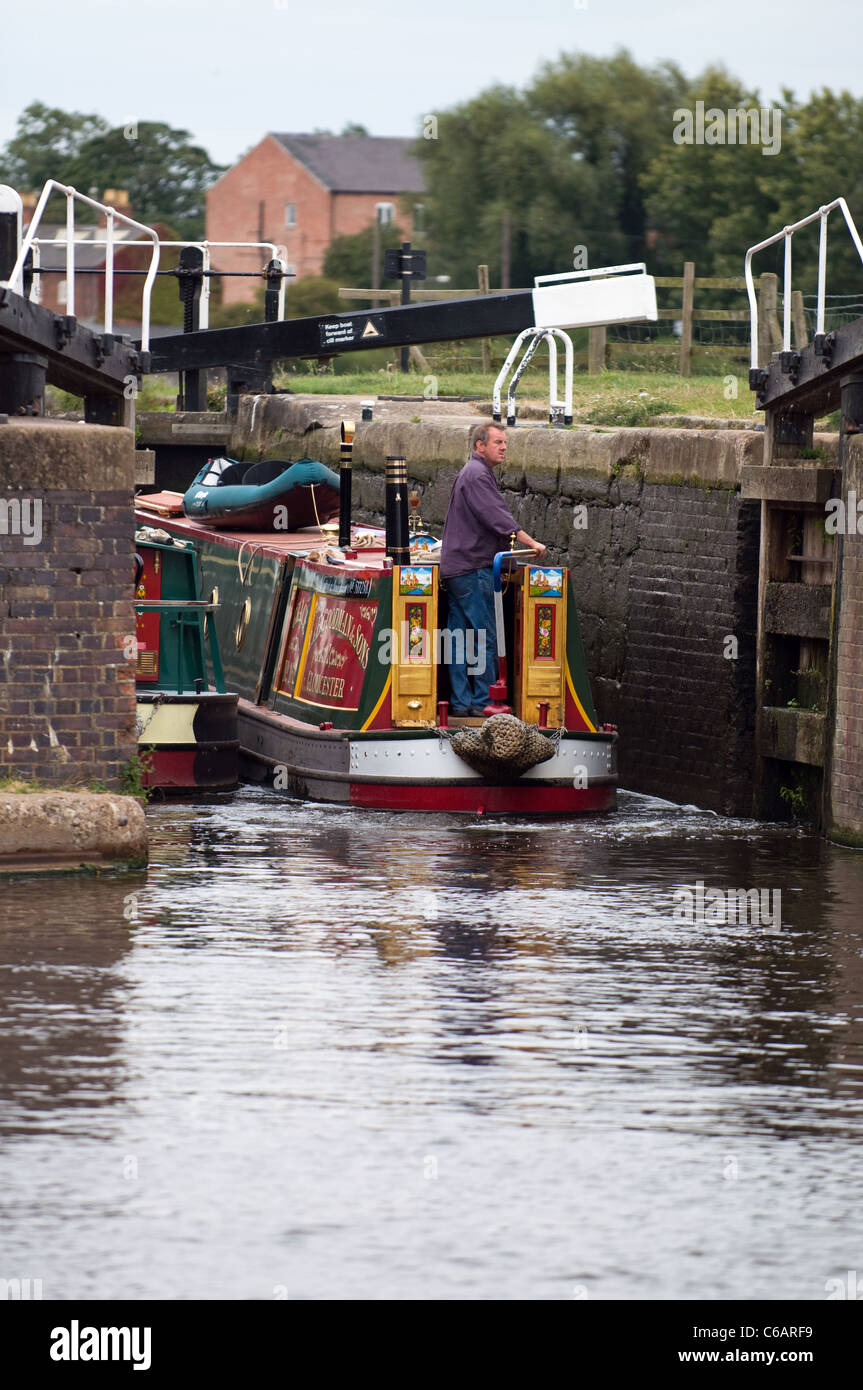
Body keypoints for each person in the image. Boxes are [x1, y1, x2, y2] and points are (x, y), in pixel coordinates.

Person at [440, 422, 546, 715]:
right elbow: (497, 517)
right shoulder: (477, 475)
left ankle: (461, 703)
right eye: (498, 442)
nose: (503, 447)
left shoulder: (471, 472)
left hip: (456, 567)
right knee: (485, 635)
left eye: (504, 443)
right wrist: (532, 542)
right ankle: (484, 702)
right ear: (480, 446)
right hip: (473, 567)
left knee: (460, 637)